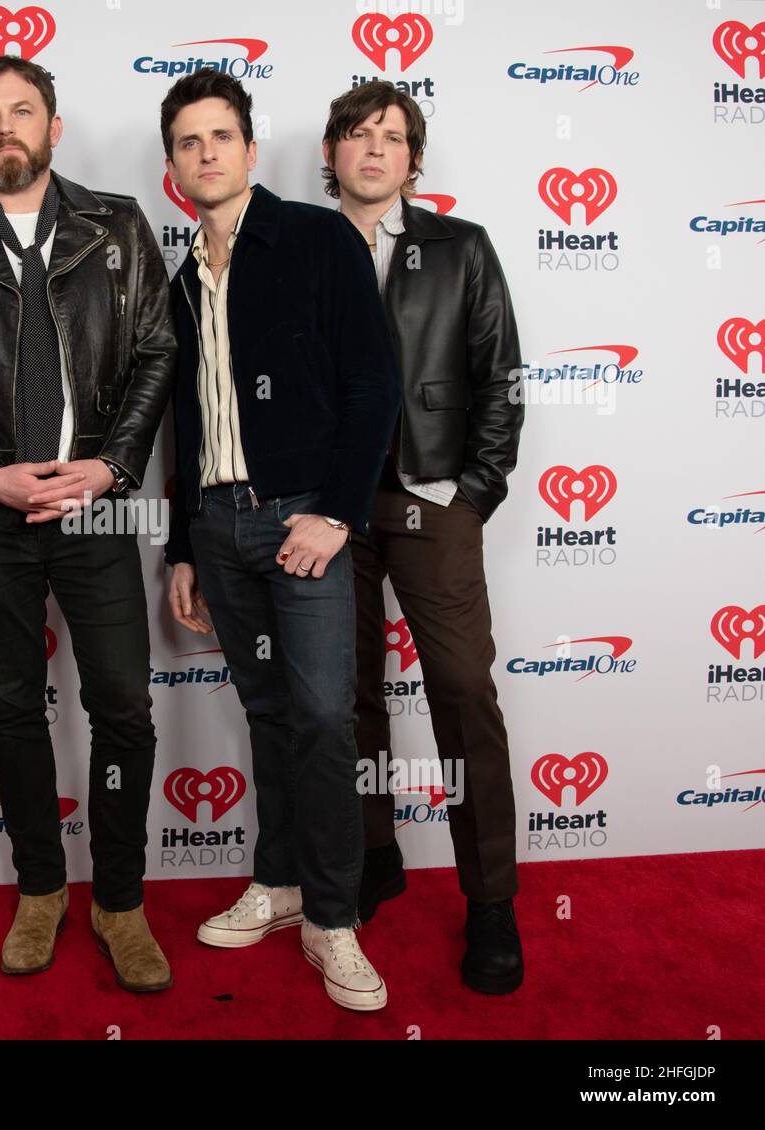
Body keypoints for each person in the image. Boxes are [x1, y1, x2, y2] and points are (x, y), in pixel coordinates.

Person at [0, 57, 176, 992]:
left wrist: (113, 464)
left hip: (93, 512)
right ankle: (42, 889)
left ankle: (122, 899)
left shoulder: (119, 225)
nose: (4, 127)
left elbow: (157, 352)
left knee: (124, 711)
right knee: (13, 708)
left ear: (56, 127)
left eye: (22, 111)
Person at [161, 70, 401, 1011]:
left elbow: (372, 384)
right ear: (172, 164)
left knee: (324, 722)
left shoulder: (314, 237)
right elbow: (185, 421)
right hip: (219, 527)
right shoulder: (181, 279)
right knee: (267, 718)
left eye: (221, 136)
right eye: (188, 141)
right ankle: (281, 879)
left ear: (251, 151)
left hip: (304, 520)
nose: (206, 152)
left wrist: (336, 513)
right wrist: (182, 545)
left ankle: (333, 920)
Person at [323, 79, 525, 994]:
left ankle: (491, 903)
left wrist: (474, 493)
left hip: (431, 499)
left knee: (459, 692)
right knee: (350, 695)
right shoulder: (300, 246)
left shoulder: (461, 248)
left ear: (413, 159)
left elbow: (501, 379)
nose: (373, 150)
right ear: (332, 152)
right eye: (358, 135)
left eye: (392, 137)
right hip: (331, 511)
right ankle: (375, 856)